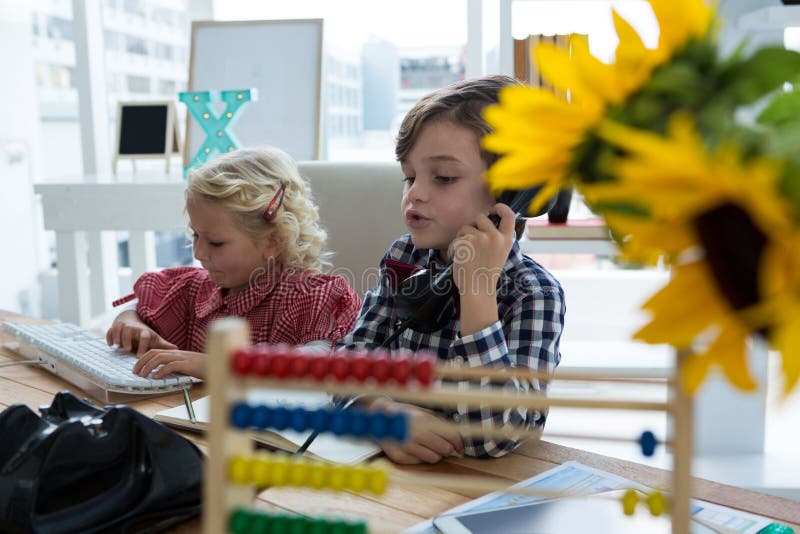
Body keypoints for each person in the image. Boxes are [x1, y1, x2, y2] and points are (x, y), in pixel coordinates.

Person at [338, 75, 565, 463]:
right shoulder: (404, 256)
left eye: (443, 178)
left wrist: (477, 294)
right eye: (409, 177)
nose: (415, 193)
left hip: (476, 486)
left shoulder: (534, 293)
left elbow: (495, 439)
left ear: (513, 194)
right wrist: (379, 412)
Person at [106, 147, 362, 379]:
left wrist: (218, 365)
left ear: (273, 241)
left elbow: (317, 366)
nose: (198, 253)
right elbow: (140, 307)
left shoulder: (310, 297)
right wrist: (130, 322)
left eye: (215, 243)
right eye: (195, 235)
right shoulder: (195, 290)